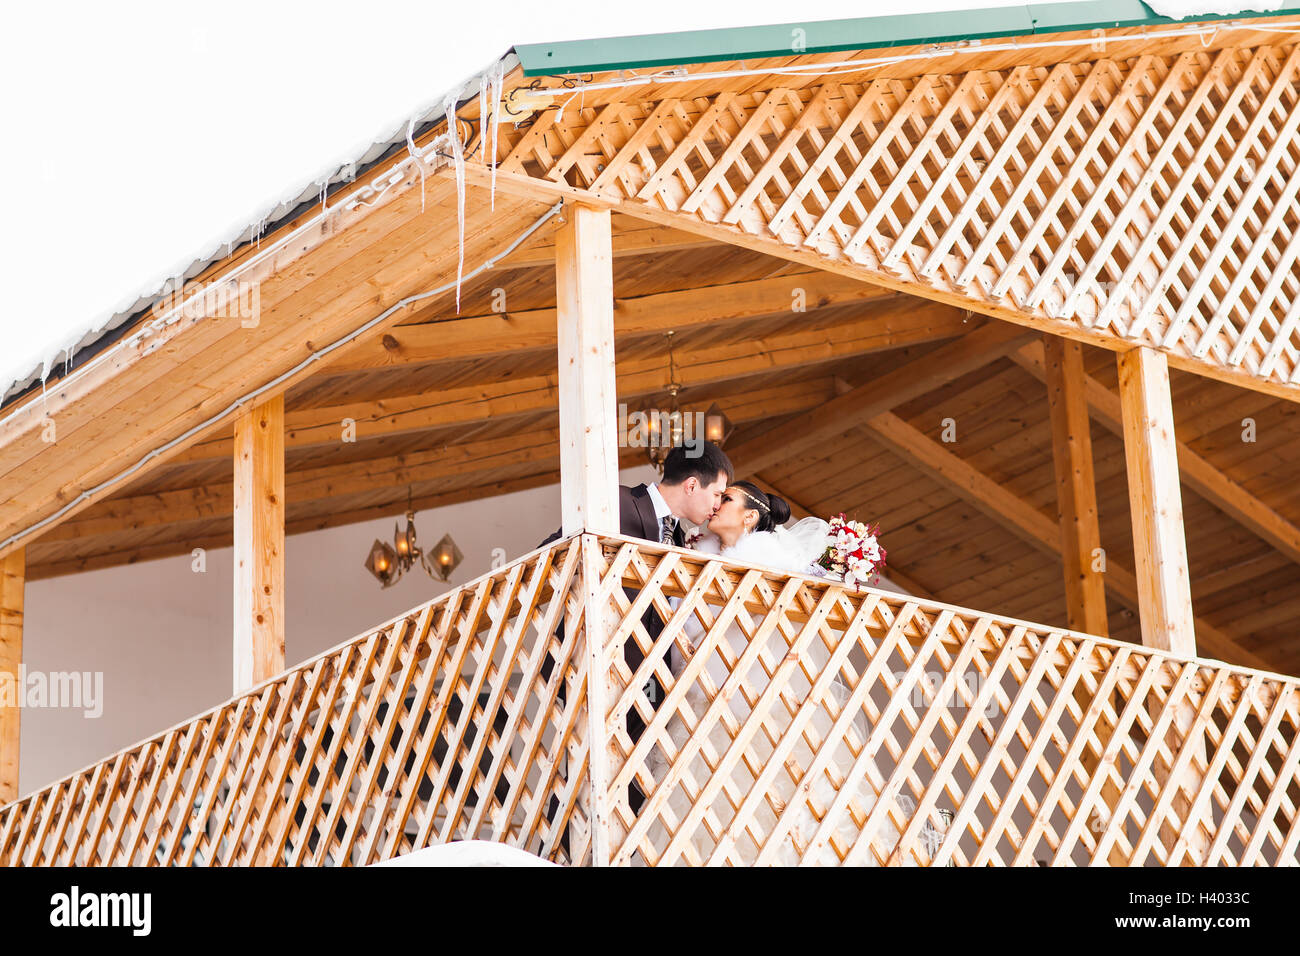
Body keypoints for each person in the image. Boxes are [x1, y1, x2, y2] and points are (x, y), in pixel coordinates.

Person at [633, 481, 938, 866]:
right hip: (701, 706)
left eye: (726, 500)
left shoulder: (774, 563)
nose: (716, 505)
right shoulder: (696, 560)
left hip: (762, 706)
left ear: (750, 517)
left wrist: (841, 559)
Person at [538, 441, 733, 839]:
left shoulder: (678, 539)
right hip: (595, 664)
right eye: (716, 494)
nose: (718, 505)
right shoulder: (619, 503)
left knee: (631, 779)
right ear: (693, 485)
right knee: (581, 774)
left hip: (648, 678)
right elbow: (551, 554)